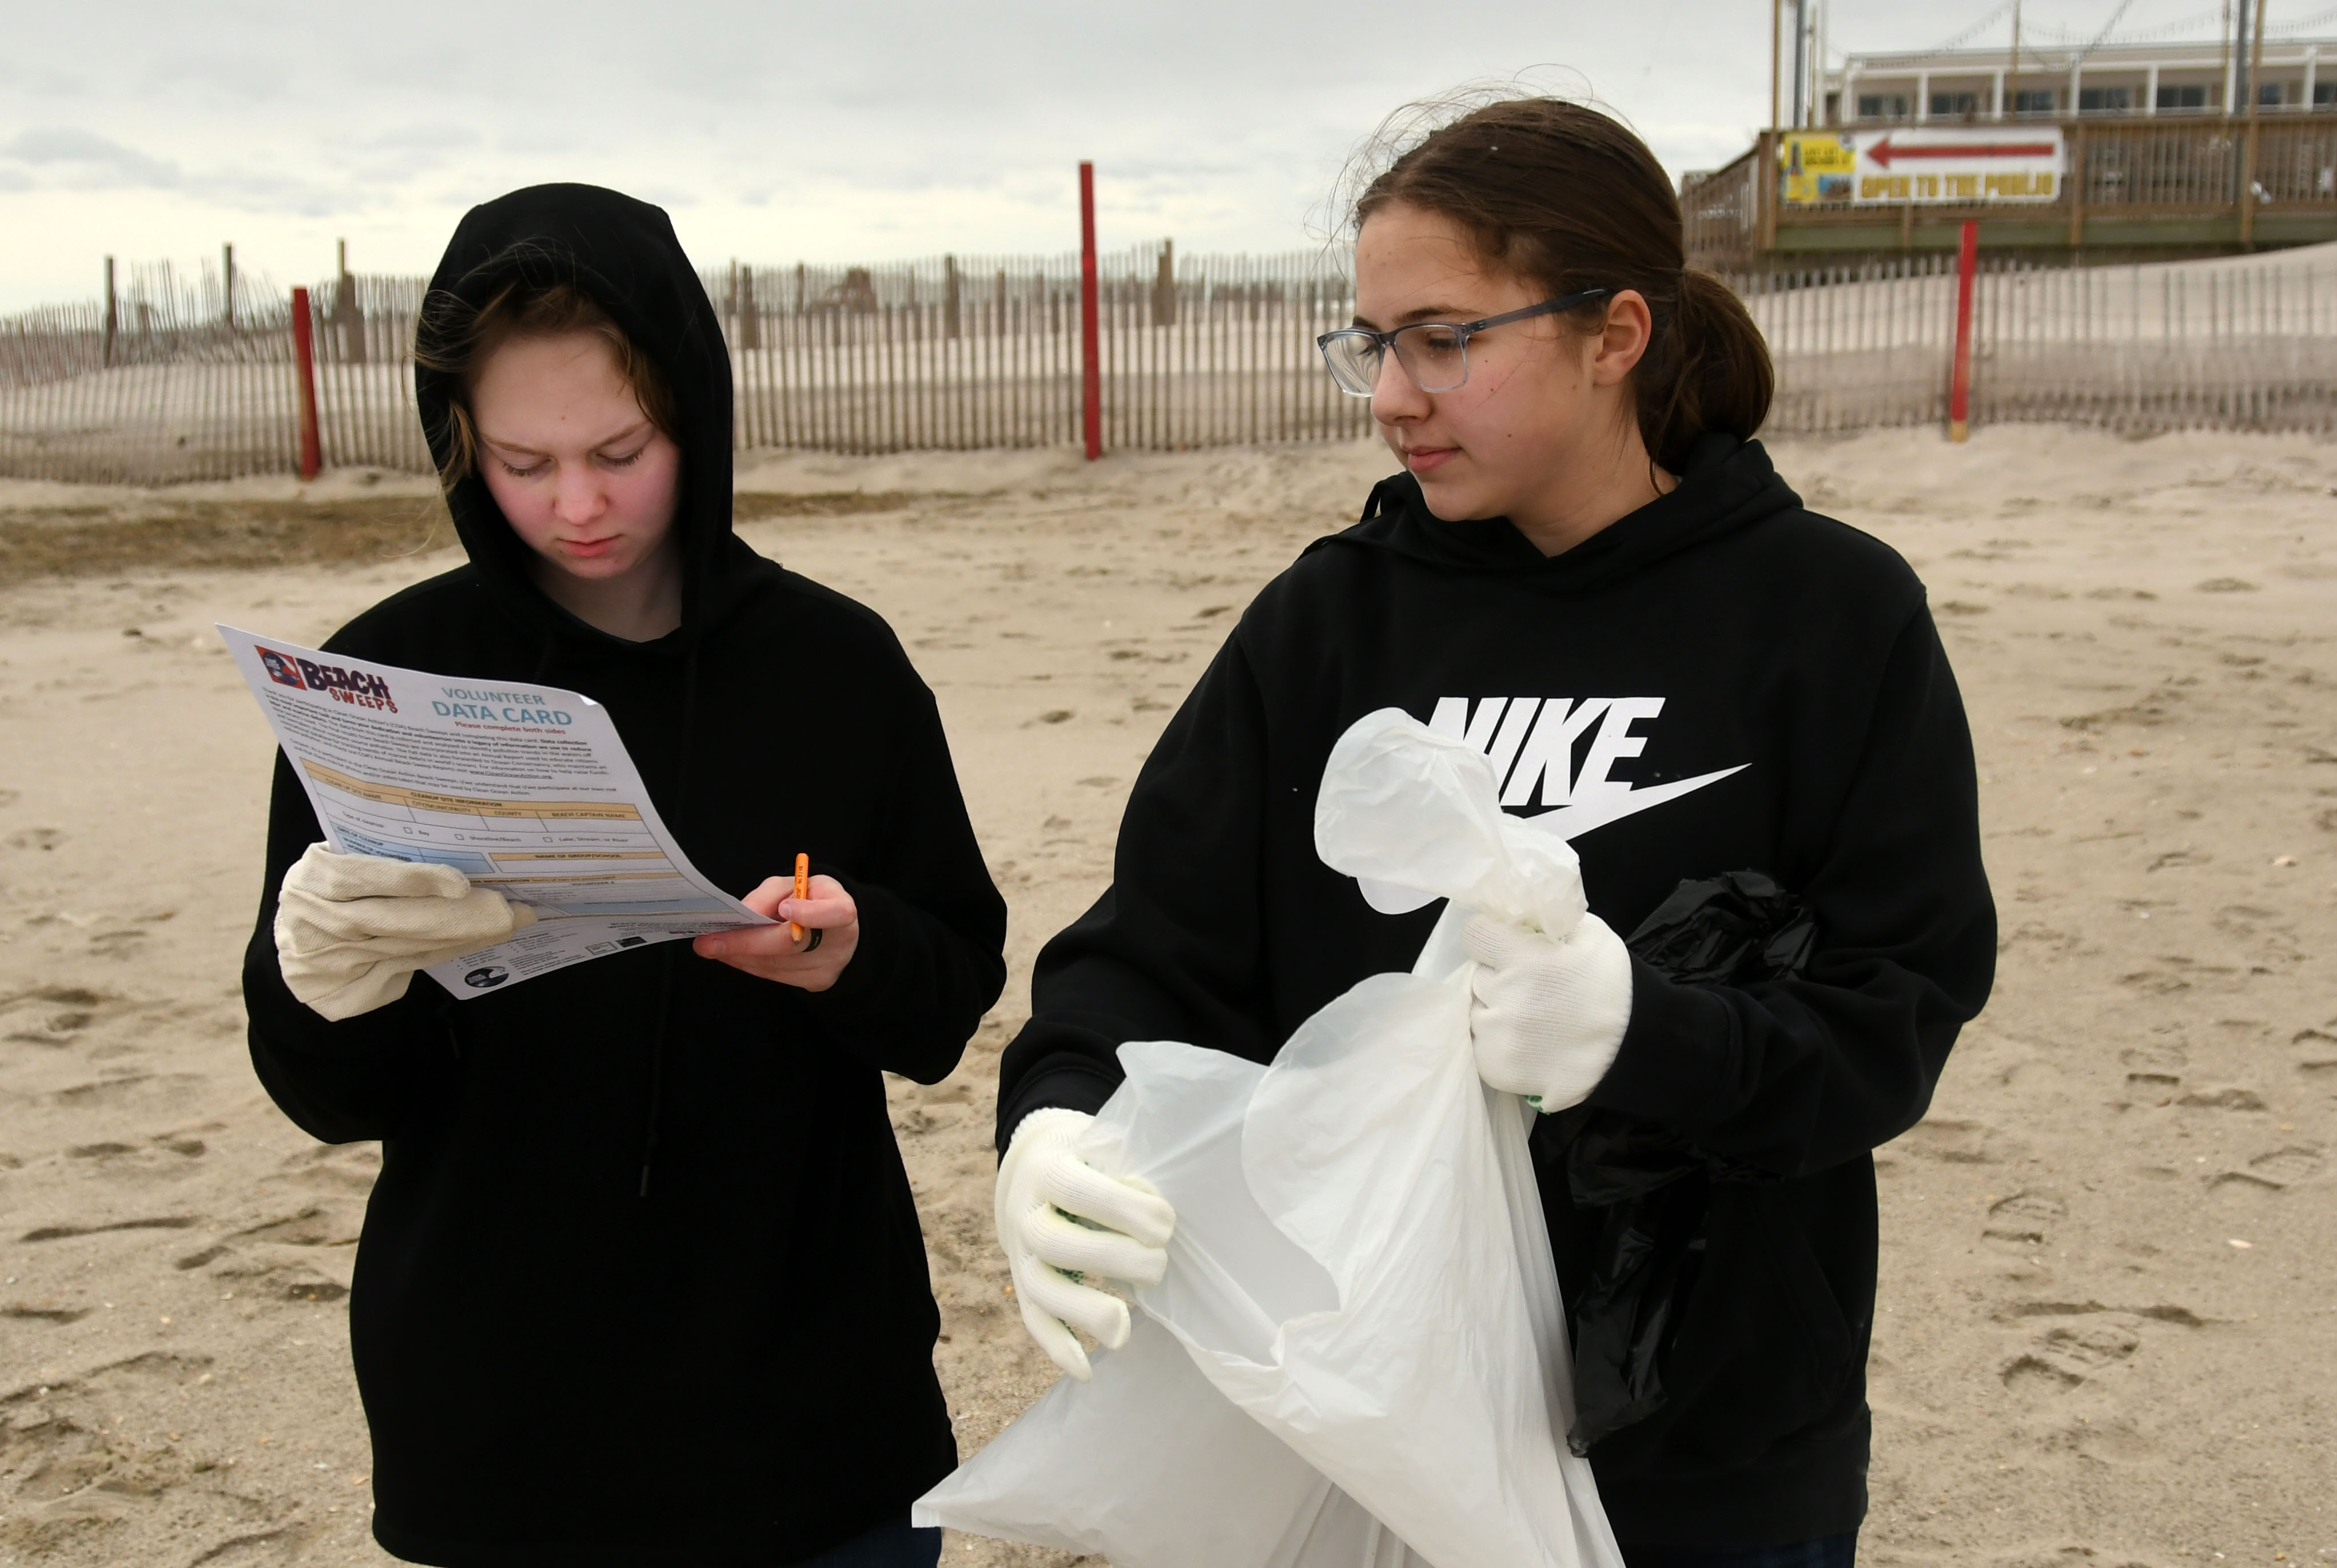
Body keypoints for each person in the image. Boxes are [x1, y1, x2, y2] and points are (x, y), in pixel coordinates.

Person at [990, 100, 1995, 1566]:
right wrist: (1056, 1117)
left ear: (1615, 333)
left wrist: (1641, 1033)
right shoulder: (1328, 622)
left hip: (1709, 1445)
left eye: (1443, 338)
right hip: (1360, 1423)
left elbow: (1894, 1014)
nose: (1393, 393)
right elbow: (1152, 949)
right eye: (1369, 341)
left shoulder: (1830, 618)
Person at [242, 184, 1005, 1567]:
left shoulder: (838, 668)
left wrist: (856, 951)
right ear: (460, 444)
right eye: (523, 464)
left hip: (813, 1407)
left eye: (621, 449)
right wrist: (327, 987)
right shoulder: (379, 679)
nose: (577, 505)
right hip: (501, 1423)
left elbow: (950, 1002)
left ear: (696, 417)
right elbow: (330, 1102)